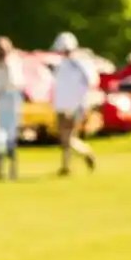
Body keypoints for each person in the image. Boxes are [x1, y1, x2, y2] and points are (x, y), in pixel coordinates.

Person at [51, 32, 98, 176]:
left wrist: (83, 102)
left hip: (74, 105)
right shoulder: (63, 64)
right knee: (65, 137)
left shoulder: (80, 62)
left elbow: (91, 81)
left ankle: (86, 152)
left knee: (67, 137)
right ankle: (66, 166)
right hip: (62, 104)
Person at [0, 36, 25, 180]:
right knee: (0, 136)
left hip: (11, 99)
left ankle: (12, 169)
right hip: (0, 101)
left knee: (11, 136)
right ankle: (0, 169)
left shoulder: (12, 63)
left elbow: (15, 81)